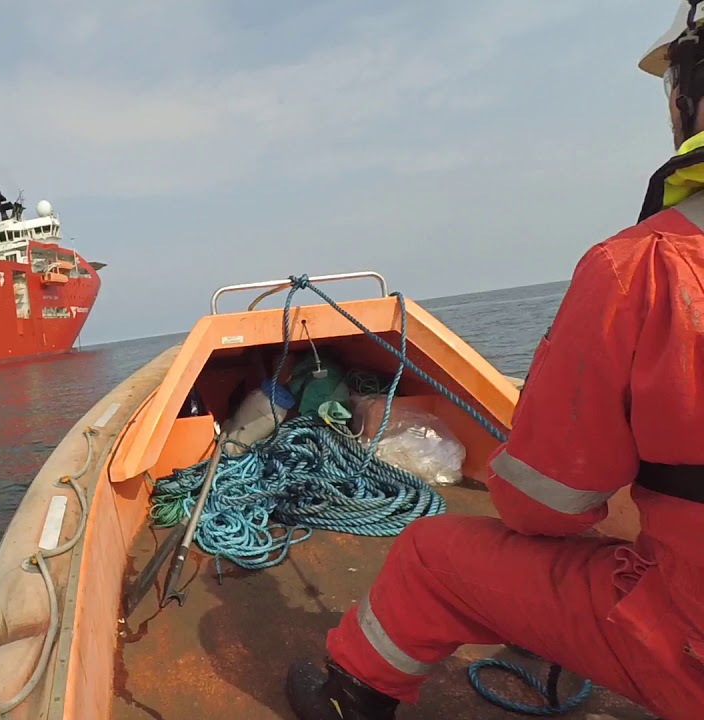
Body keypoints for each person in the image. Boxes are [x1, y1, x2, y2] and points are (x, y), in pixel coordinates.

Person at [283, 3, 704, 719]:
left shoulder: (644, 267)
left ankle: (349, 696)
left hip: (690, 650)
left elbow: (542, 505)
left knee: (429, 556)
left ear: (682, 98)